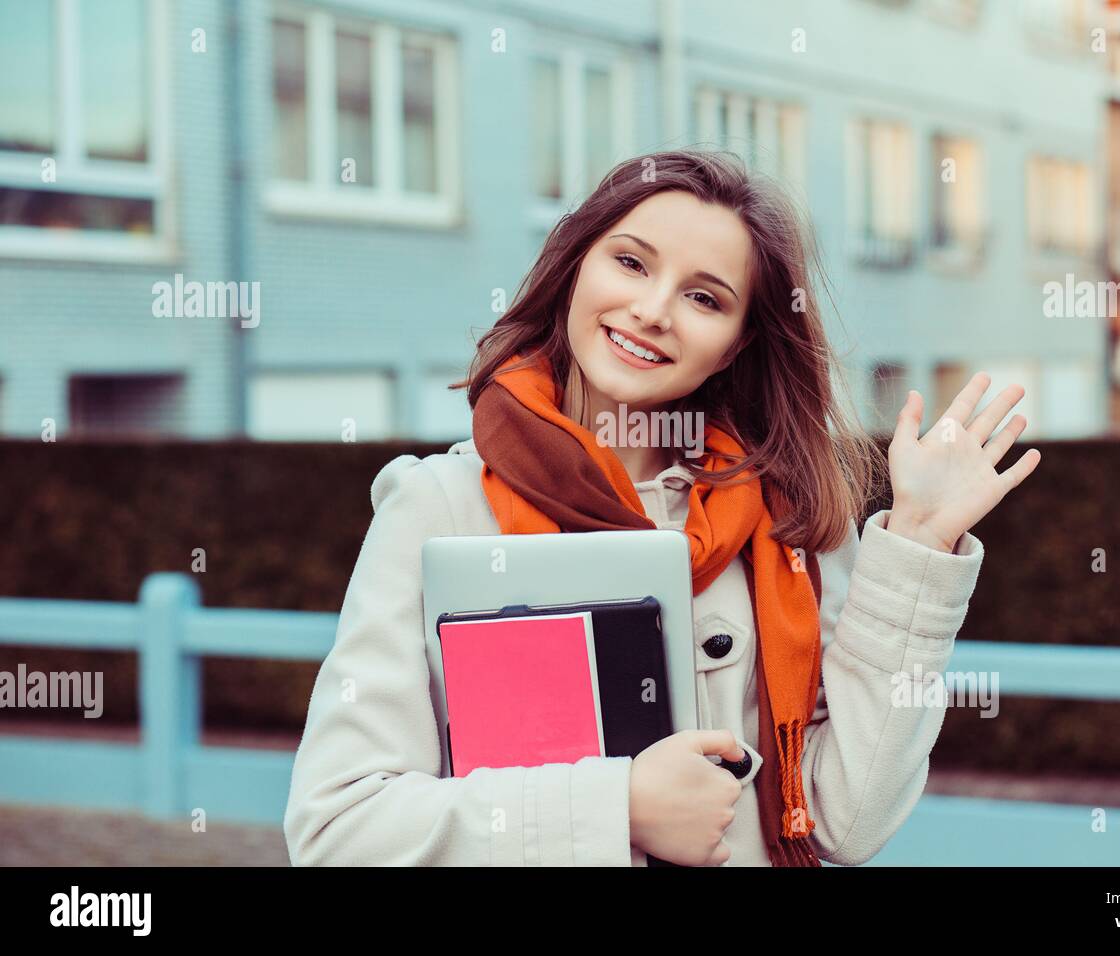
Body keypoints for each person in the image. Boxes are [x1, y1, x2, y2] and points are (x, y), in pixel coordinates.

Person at [283, 149, 1040, 867]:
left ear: (738, 344)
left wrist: (917, 544)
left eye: (705, 297)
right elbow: (339, 827)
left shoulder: (792, 525)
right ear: (576, 266)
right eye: (631, 262)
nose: (651, 310)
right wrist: (619, 809)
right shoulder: (438, 509)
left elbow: (848, 819)